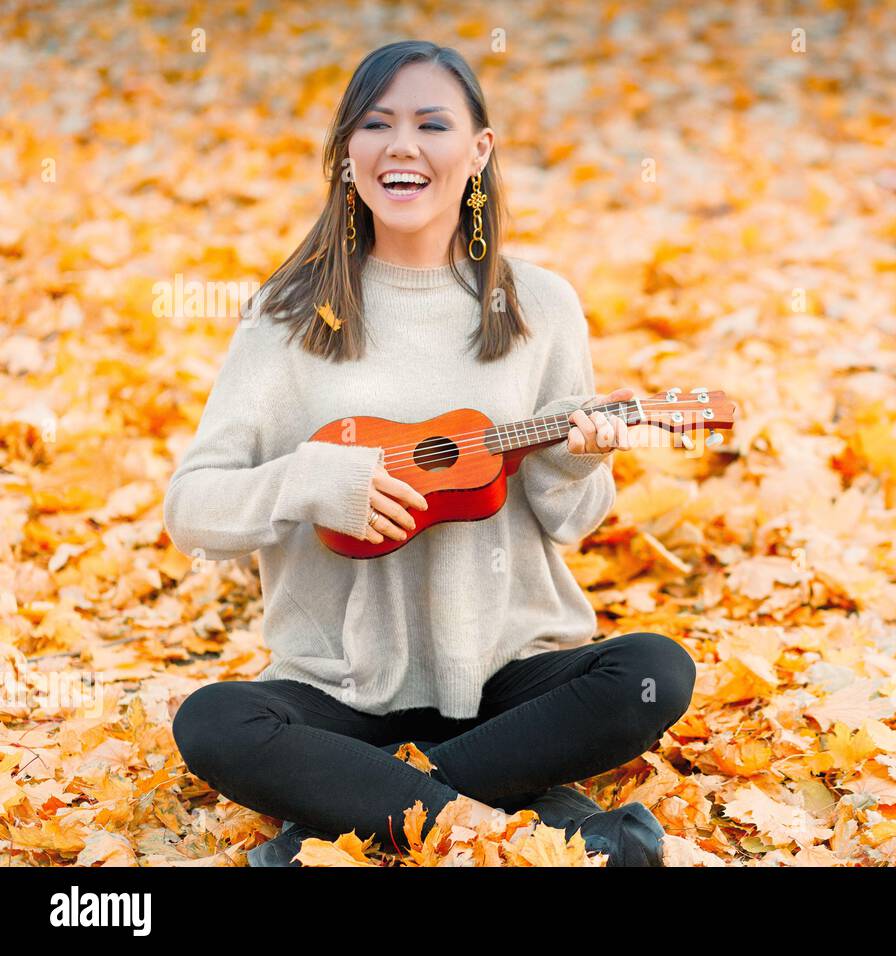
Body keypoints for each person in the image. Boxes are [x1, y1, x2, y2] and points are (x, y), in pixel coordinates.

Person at [164, 40, 696, 867]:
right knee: (213, 721)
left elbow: (572, 523)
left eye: (432, 124)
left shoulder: (541, 306)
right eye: (376, 124)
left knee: (652, 669)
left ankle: (351, 817)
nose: (402, 145)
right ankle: (540, 829)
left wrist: (579, 459)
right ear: (349, 155)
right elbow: (193, 510)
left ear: (478, 151)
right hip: (337, 692)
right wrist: (310, 481)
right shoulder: (286, 316)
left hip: (505, 685)